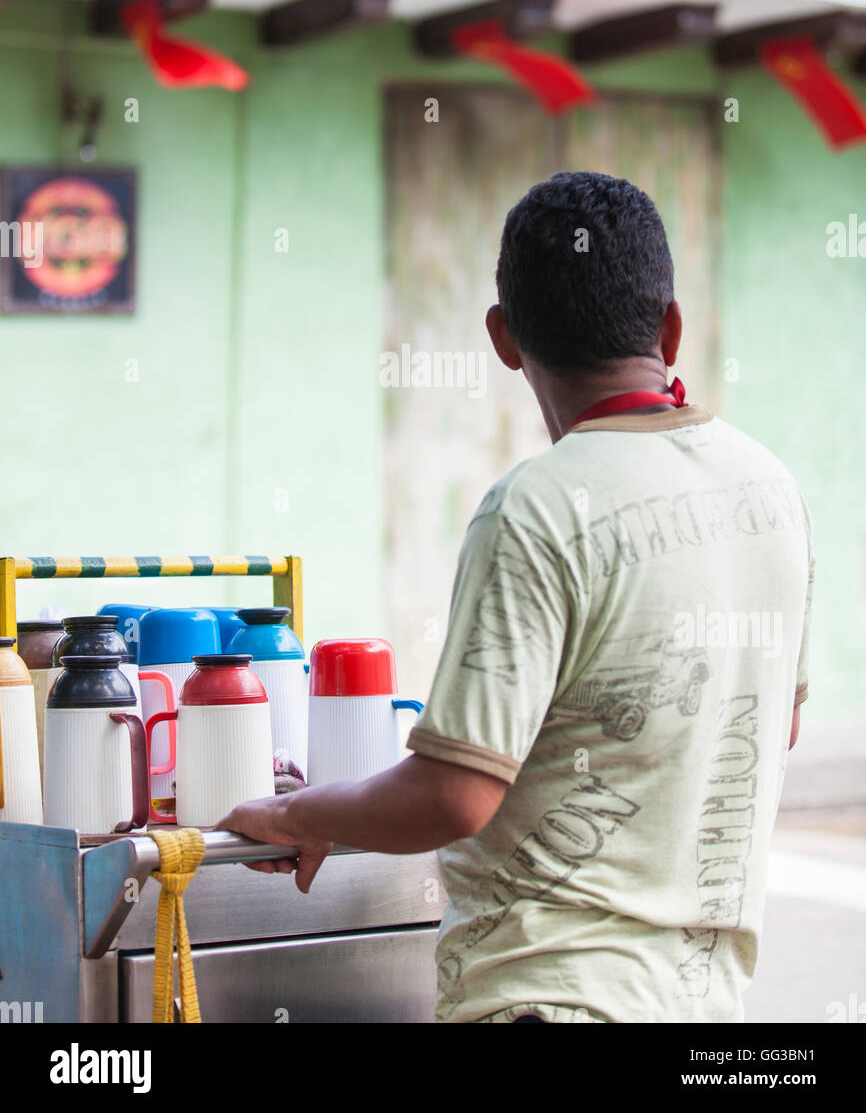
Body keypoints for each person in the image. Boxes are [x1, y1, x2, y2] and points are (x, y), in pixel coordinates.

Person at [220, 170, 812, 1024]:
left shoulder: (536, 508)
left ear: (503, 337)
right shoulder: (769, 488)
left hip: (553, 998)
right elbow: (770, 726)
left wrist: (300, 812)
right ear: (671, 328)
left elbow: (455, 794)